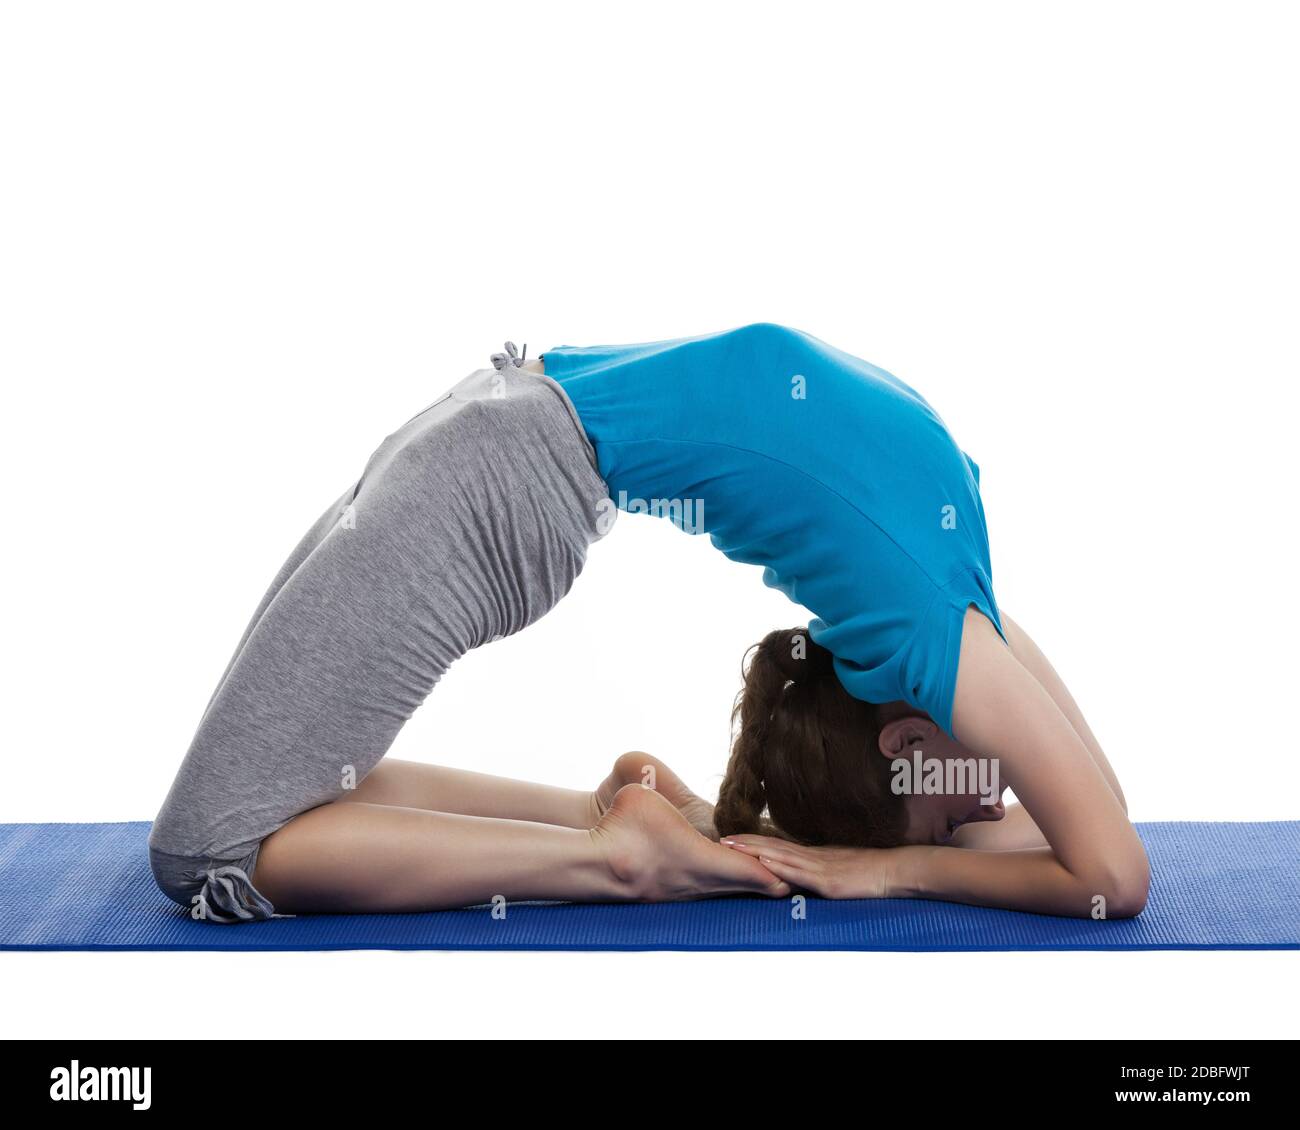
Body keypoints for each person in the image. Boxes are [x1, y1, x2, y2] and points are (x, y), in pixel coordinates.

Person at [150, 324, 1147, 923]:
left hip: (490, 430)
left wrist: (887, 852)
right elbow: (1112, 872)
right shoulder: (940, 636)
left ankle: (612, 823)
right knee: (208, 855)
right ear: (906, 732)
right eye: (945, 802)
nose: (980, 807)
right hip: (489, 475)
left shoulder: (947, 598)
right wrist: (887, 866)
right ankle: (615, 854)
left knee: (293, 796)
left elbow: (1081, 829)